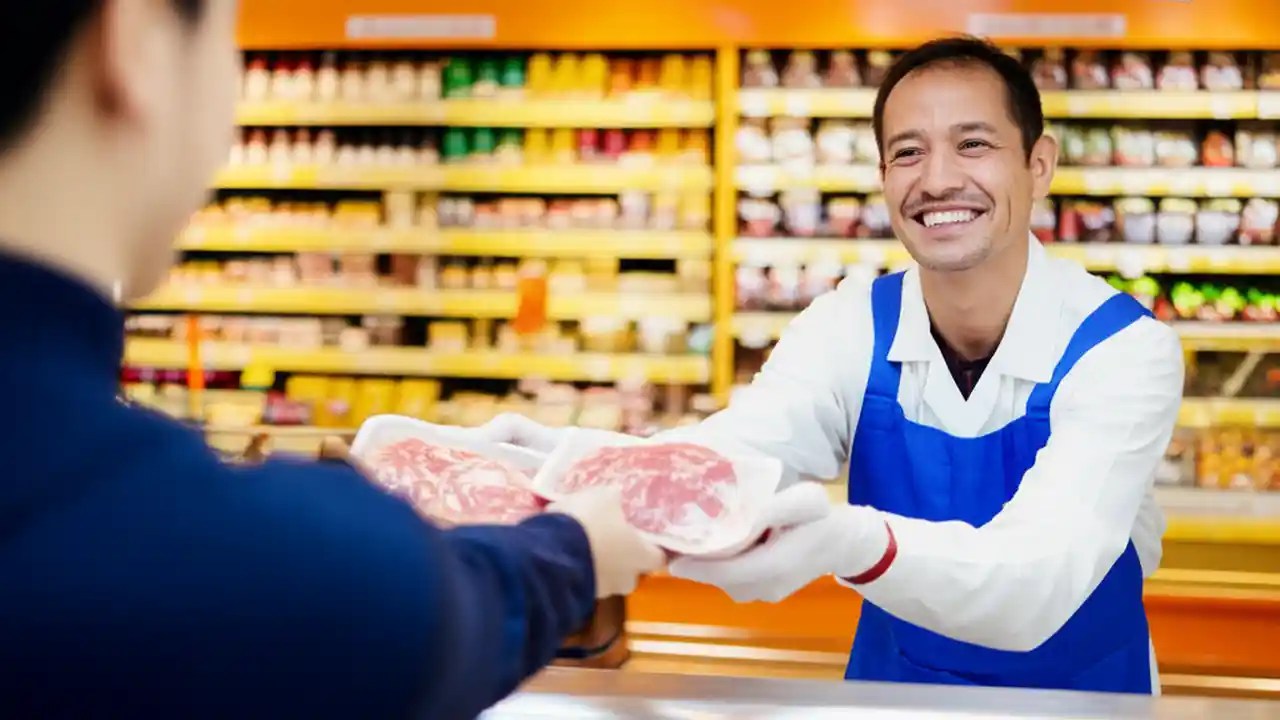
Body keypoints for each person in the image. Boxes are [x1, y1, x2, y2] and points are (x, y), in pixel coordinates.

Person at [0, 3, 663, 718]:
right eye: (231, 39)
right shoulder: (282, 570)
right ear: (138, 41)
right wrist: (575, 550)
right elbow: (395, 604)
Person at [475, 37, 1184, 695]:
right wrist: (570, 465)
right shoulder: (850, 323)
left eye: (973, 144)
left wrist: (849, 541)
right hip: (890, 694)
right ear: (881, 175)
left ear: (1038, 164)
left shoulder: (1122, 350)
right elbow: (737, 453)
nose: (937, 179)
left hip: (1084, 702)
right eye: (907, 153)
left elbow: (1037, 585)